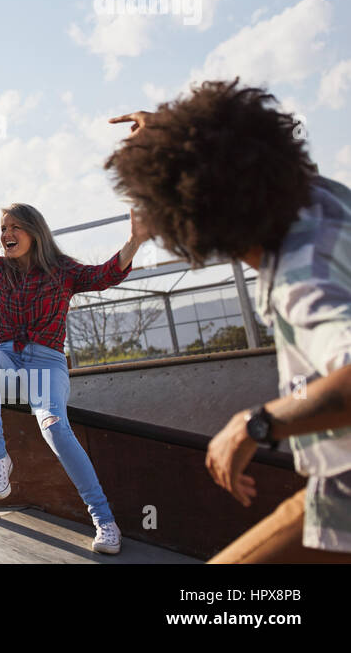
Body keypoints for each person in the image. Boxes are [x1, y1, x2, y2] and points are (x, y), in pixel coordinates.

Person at [107, 80, 351, 562]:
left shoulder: (301, 279)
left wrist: (253, 424)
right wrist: (172, 140)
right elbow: (232, 157)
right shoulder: (321, 199)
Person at [0, 143, 149, 554]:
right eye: (3, 230)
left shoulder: (62, 272)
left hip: (47, 364)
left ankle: (104, 520)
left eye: (14, 228)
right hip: (8, 357)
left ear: (33, 232)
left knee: (54, 428)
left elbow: (105, 275)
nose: (6, 235)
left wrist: (134, 242)